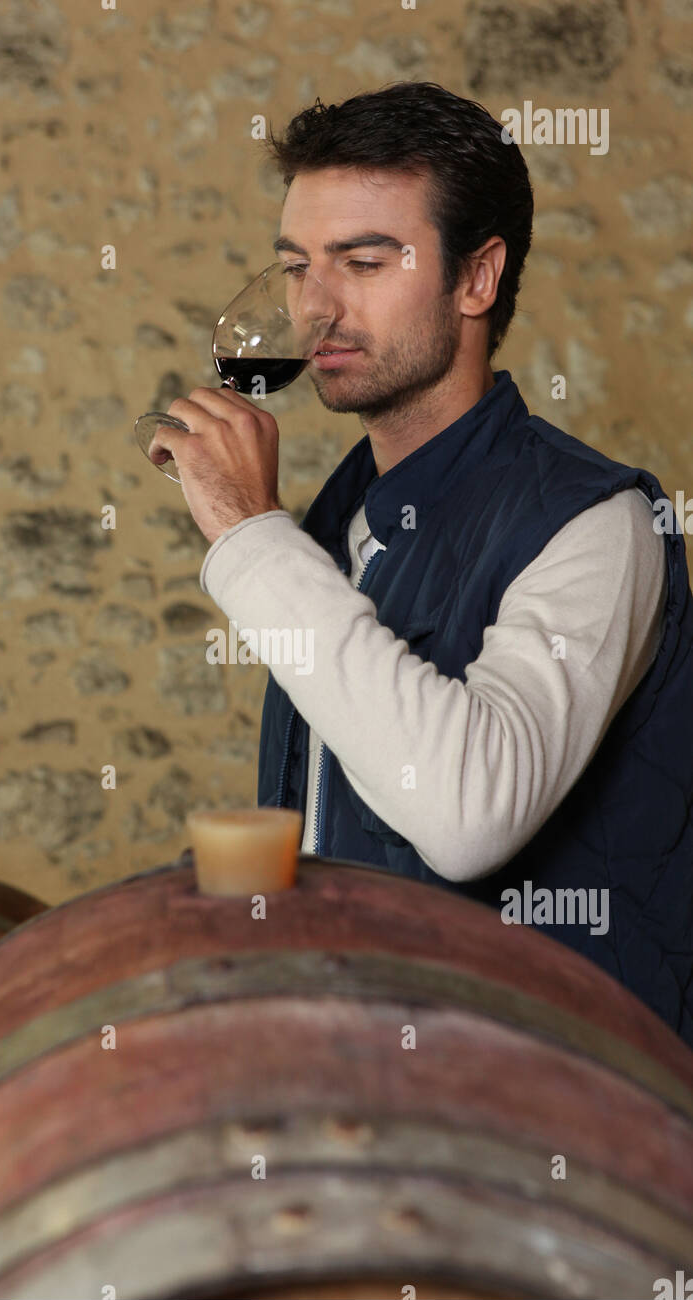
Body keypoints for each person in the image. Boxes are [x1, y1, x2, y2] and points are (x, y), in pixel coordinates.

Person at [152, 82, 693, 1045]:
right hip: (376, 1095)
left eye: (362, 262)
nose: (315, 309)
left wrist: (247, 535)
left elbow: (466, 815)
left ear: (476, 279)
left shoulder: (600, 524)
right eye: (295, 268)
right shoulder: (341, 519)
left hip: (552, 1125)